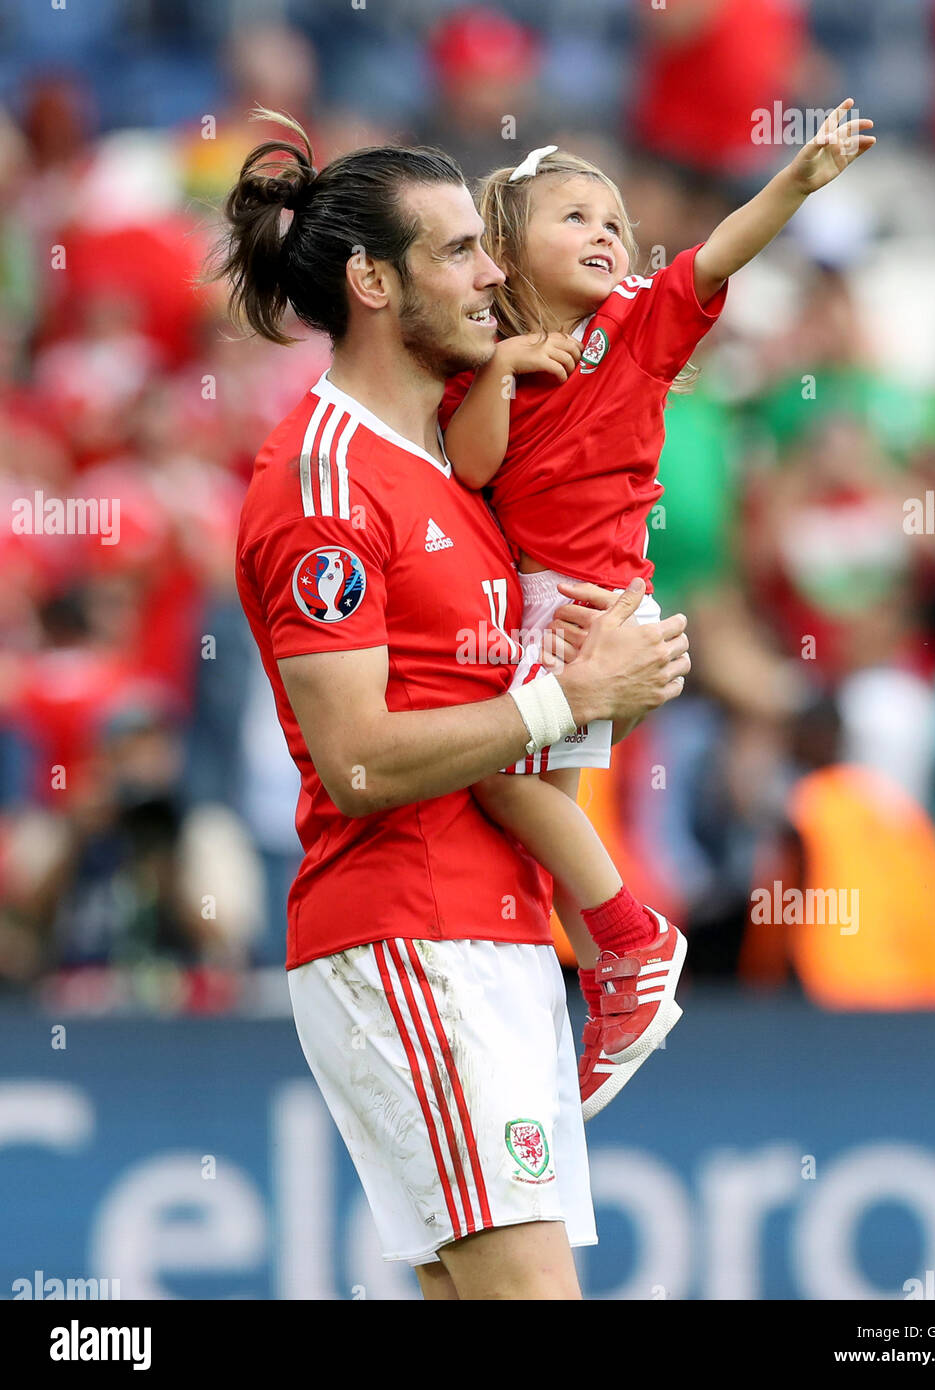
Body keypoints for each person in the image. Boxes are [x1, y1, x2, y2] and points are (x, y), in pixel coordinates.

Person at [214, 113, 691, 1300]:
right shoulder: (324, 478)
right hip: (412, 933)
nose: (494, 274)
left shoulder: (449, 458)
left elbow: (512, 720)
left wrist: (608, 695)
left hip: (496, 937)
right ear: (372, 282)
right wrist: (556, 703)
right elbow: (359, 759)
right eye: (459, 252)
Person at [439, 99, 877, 1116]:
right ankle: (601, 979)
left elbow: (716, 255)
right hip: (554, 609)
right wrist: (501, 369)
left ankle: (629, 947)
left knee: (503, 782)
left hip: (596, 607)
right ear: (505, 249)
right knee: (518, 806)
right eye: (575, 217)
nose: (604, 233)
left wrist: (796, 181)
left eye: (613, 221)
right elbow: (474, 463)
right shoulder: (487, 361)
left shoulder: (633, 326)